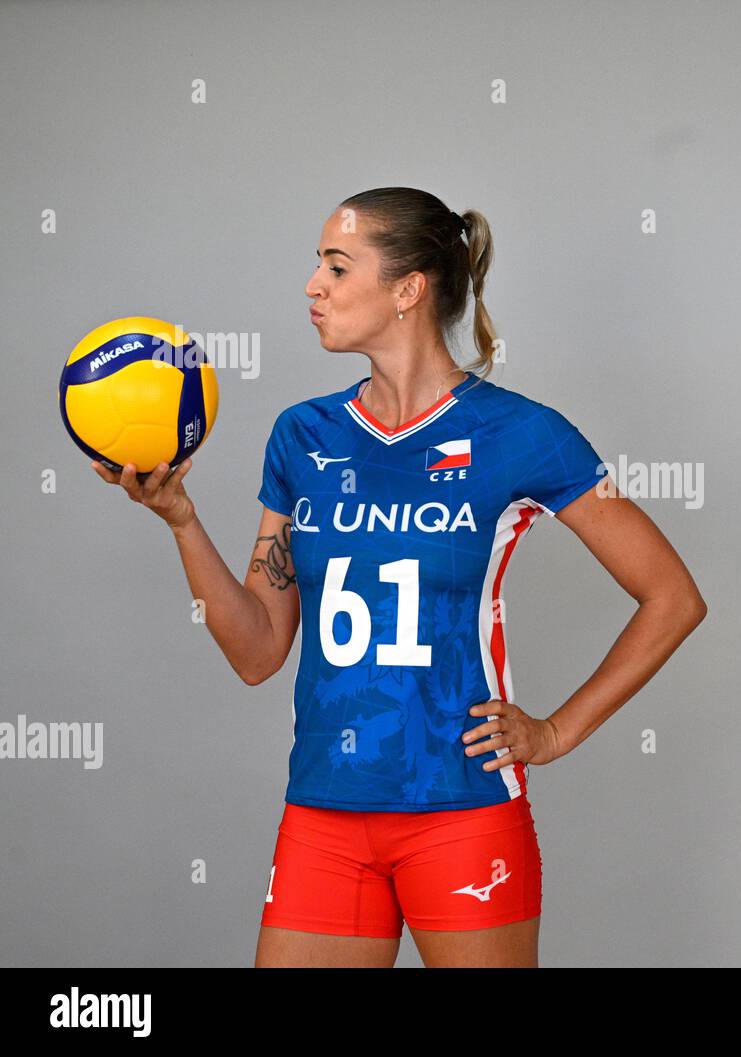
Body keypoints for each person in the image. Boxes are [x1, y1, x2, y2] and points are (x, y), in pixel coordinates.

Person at [91, 187, 707, 967]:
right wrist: (181, 517)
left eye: (337, 267)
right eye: (318, 264)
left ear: (408, 289)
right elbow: (255, 653)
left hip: (462, 809)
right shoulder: (302, 436)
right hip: (324, 810)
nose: (312, 284)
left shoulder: (522, 433)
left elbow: (673, 597)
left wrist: (554, 731)